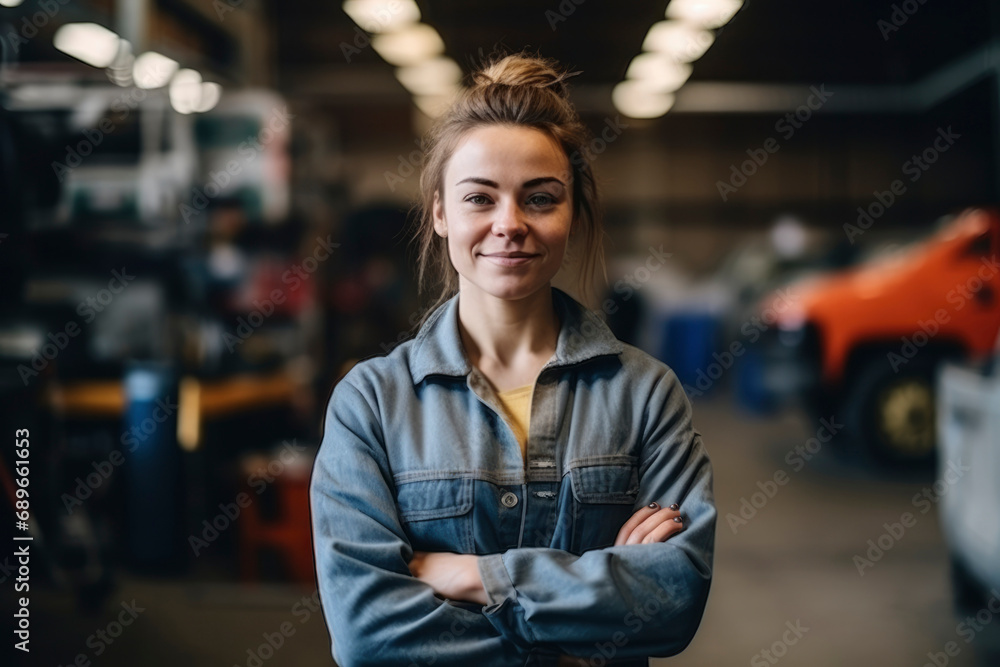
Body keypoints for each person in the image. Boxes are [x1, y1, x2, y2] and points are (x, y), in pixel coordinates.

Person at [310, 52, 716, 667]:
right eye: (480, 198)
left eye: (540, 198)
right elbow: (367, 633)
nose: (509, 224)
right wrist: (579, 621)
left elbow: (673, 598)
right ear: (441, 213)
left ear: (571, 213)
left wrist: (469, 575)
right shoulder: (370, 403)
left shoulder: (644, 393)